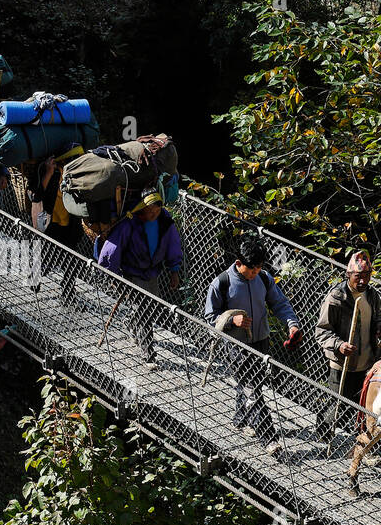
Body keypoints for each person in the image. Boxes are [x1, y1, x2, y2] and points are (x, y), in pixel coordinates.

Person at [204, 236, 303, 457]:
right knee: (253, 389)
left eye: (259, 268)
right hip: (236, 345)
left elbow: (280, 303)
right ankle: (270, 439)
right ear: (238, 263)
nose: (255, 272)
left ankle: (240, 420)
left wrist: (292, 325)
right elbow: (210, 317)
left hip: (261, 342)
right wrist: (232, 321)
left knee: (251, 383)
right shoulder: (221, 283)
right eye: (251, 269)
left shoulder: (264, 279)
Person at [96, 190, 183, 371]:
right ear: (142, 208)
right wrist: (109, 274)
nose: (153, 214)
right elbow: (112, 249)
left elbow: (173, 244)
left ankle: (130, 322)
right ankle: (149, 354)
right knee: (143, 311)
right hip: (132, 273)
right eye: (149, 210)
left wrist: (174, 271)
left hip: (153, 272)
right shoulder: (130, 223)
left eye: (156, 210)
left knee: (150, 308)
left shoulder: (165, 222)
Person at [314, 249, 381, 438]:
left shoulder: (372, 296)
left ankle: (362, 445)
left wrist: (379, 328)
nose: (362, 281)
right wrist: (339, 345)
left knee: (363, 406)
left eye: (366, 276)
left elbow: (377, 318)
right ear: (348, 274)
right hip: (342, 364)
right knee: (337, 404)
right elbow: (321, 331)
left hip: (367, 363)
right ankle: (323, 438)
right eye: (358, 276)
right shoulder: (336, 298)